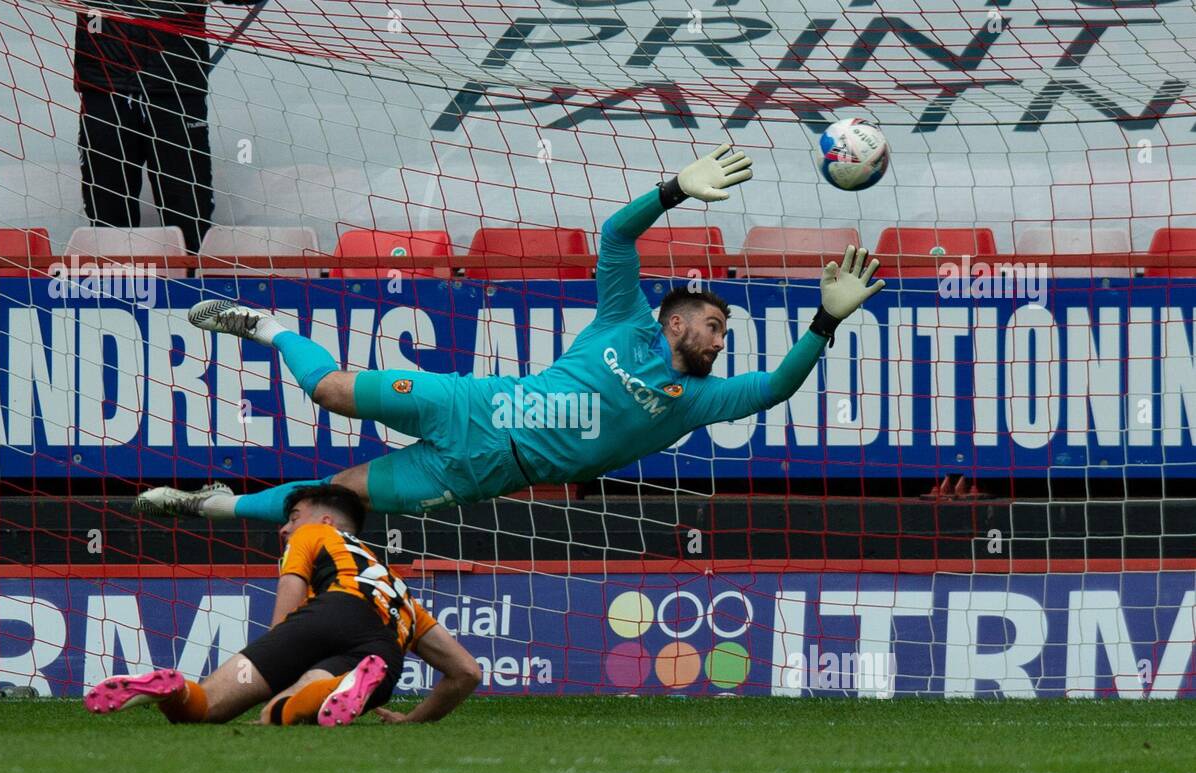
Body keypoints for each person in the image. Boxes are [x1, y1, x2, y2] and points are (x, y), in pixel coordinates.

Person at [135, 142, 885, 519]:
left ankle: (209, 504)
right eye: (715, 327)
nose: (722, 342)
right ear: (676, 319)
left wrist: (827, 317)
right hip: (471, 407)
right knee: (331, 390)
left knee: (334, 498)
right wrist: (672, 190)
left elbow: (781, 385)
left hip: (480, 475)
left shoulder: (695, 401)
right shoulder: (624, 317)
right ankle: (266, 325)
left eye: (725, 336)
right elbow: (616, 238)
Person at [86, 483, 482, 726]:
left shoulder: (313, 535)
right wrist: (411, 721)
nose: (284, 527)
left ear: (325, 521)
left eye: (292, 516)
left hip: (332, 611)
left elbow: (286, 617)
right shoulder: (397, 589)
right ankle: (339, 687)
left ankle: (173, 690)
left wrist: (278, 656)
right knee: (284, 710)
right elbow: (466, 673)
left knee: (206, 707)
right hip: (383, 649)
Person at [74, 0, 259, 252]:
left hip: (175, 88)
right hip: (104, 86)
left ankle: (194, 288)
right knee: (108, 215)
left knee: (189, 214)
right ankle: (113, 288)